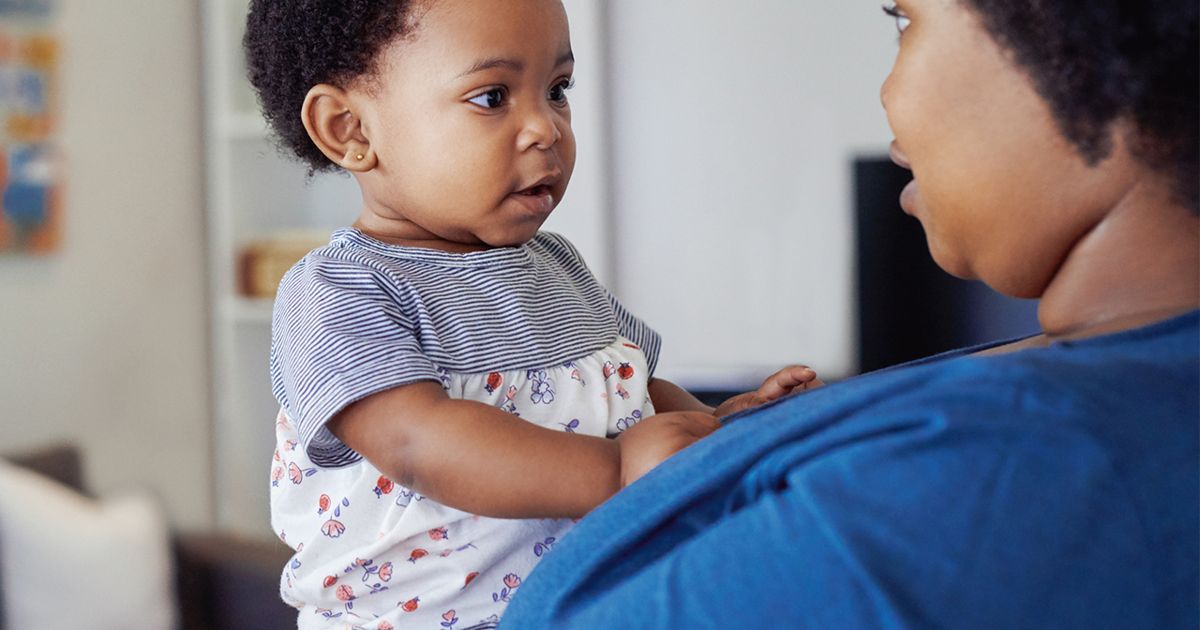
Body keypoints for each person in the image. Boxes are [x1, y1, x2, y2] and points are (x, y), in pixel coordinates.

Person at [501, 0, 1199, 628]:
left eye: (904, 20)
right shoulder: (1090, 376)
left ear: (1084, 54)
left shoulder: (994, 478)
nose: (887, 96)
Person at [245, 1, 821, 627]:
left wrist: (713, 429)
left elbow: (631, 390)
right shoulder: (340, 289)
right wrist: (620, 468)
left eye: (557, 90)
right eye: (492, 97)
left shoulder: (555, 264)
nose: (545, 128)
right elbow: (416, 440)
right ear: (351, 130)